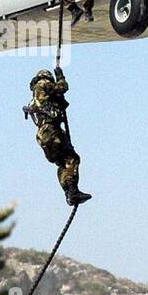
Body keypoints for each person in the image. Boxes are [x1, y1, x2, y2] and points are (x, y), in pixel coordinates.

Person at [24, 67, 91, 207]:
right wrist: (60, 77)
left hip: (43, 134)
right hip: (51, 130)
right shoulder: (43, 84)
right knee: (72, 158)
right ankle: (72, 190)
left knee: (62, 162)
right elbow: (62, 87)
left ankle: (69, 192)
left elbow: (58, 102)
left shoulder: (37, 97)